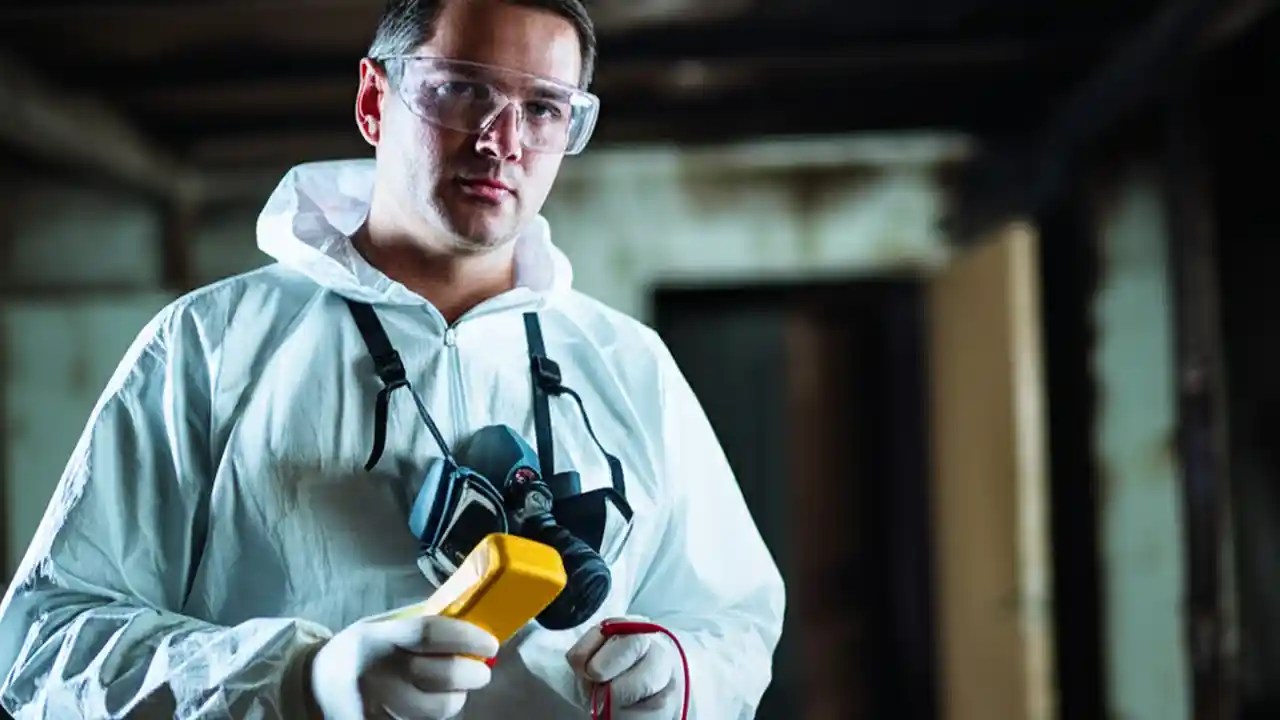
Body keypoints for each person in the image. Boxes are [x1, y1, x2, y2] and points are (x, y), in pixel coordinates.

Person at [0, 0, 785, 717]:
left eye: (544, 108)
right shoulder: (209, 346)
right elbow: (43, 647)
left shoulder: (630, 365)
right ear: (375, 101)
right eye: (464, 90)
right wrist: (299, 681)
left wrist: (684, 674)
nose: (503, 141)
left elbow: (734, 621)